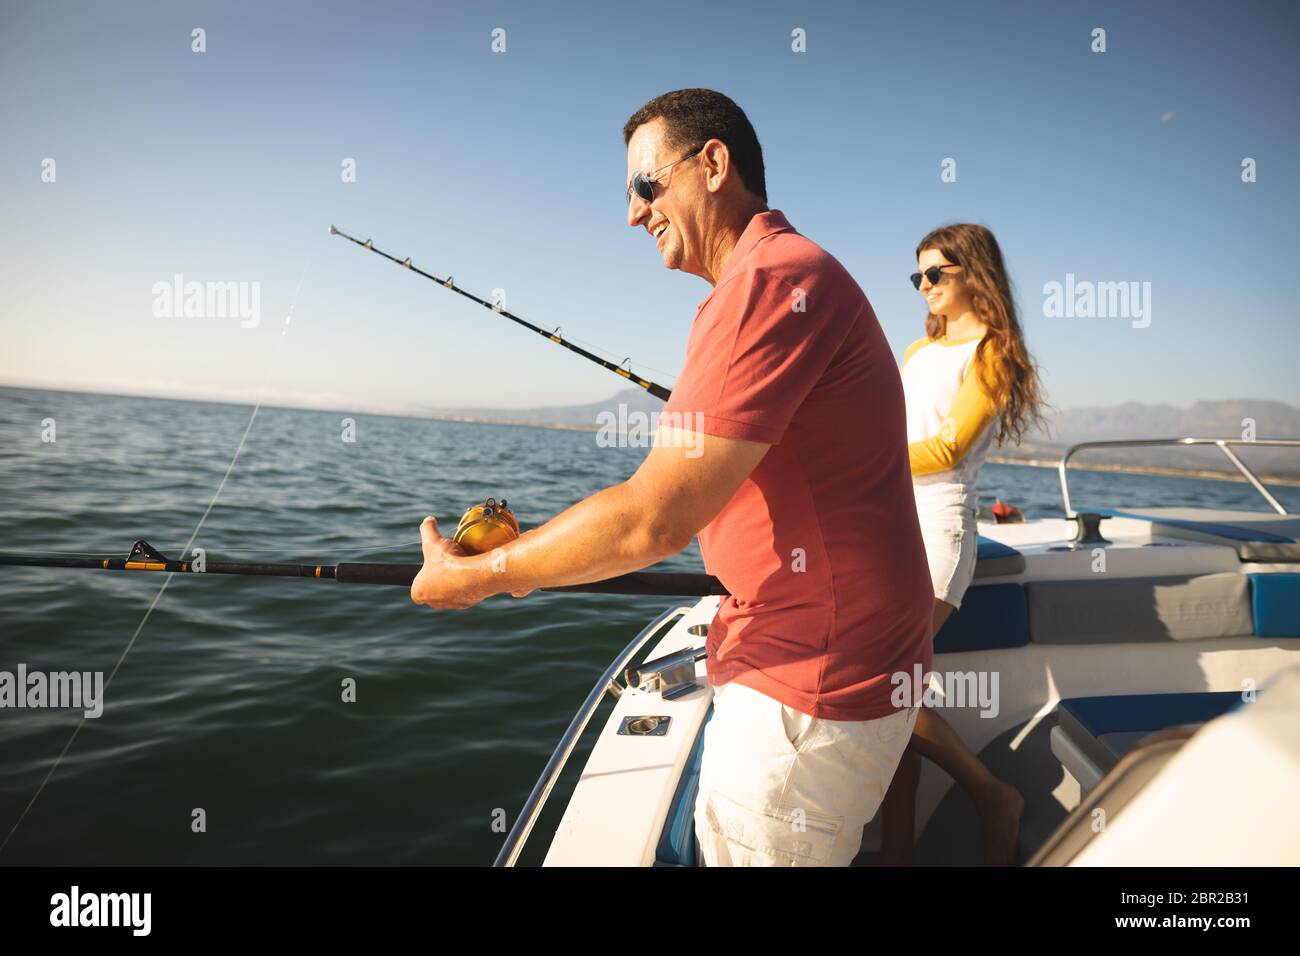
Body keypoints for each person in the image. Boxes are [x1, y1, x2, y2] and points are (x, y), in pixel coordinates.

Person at [407, 88, 934, 867]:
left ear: (713, 164)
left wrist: (485, 575)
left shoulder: (766, 283)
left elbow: (650, 521)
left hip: (807, 685)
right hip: (823, 660)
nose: (632, 213)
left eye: (645, 186)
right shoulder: (790, 274)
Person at [878, 223, 1045, 866]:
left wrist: (861, 454)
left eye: (936, 273)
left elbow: (947, 448)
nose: (924, 286)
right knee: (893, 713)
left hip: (940, 531)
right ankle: (896, 855)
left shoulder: (994, 353)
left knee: (886, 687)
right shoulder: (921, 352)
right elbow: (883, 422)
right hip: (889, 528)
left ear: (974, 272)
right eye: (917, 275)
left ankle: (991, 794)